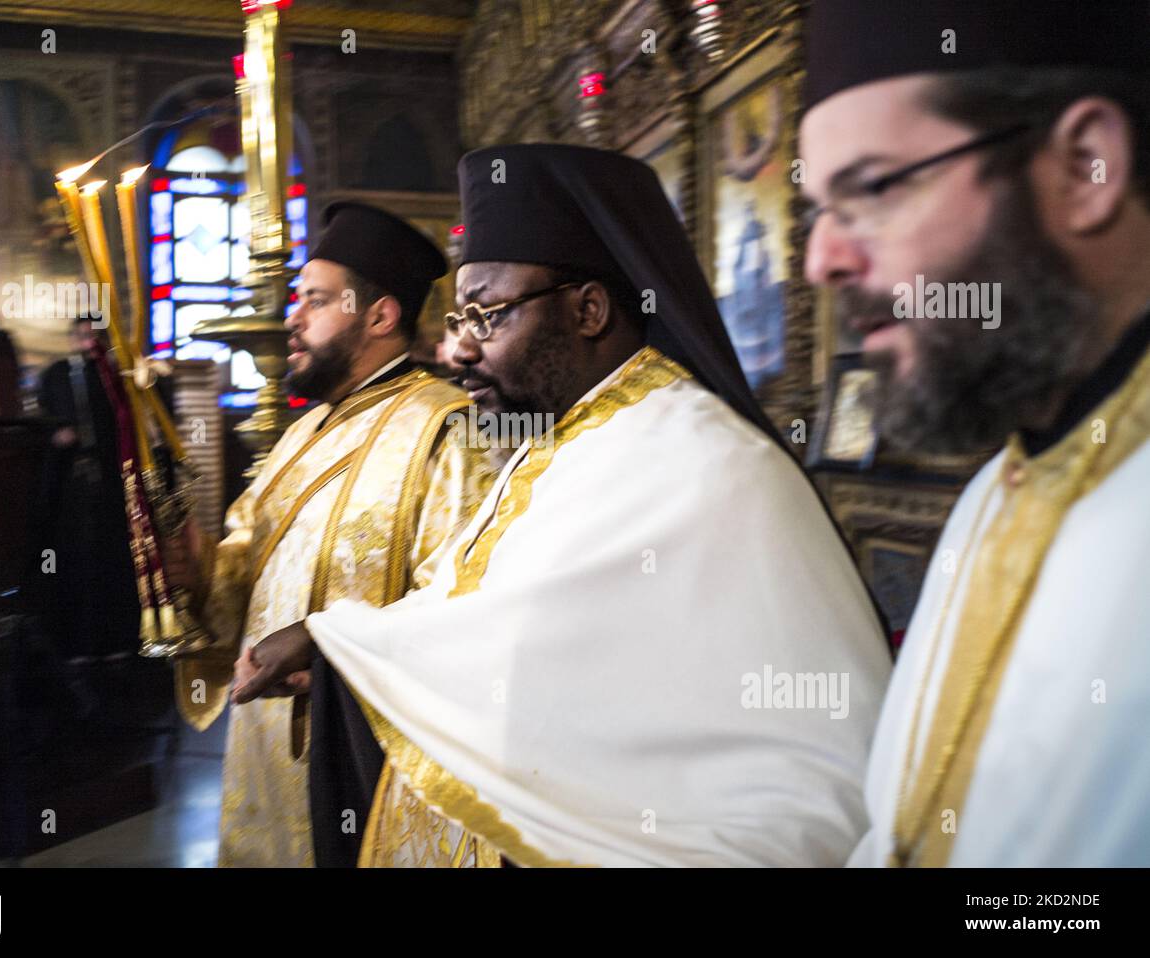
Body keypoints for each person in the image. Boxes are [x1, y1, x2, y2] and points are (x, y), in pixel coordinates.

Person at [234, 143, 892, 867]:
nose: (460, 350)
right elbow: (482, 616)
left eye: (488, 315)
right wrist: (334, 648)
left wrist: (341, 646)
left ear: (587, 310)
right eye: (461, 320)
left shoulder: (697, 457)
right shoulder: (570, 438)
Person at [799, 0, 1150, 866]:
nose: (822, 260)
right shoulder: (998, 490)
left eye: (874, 189)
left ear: (1085, 167)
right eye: (815, 212)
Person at [169, 202, 500, 867]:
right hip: (266, 748)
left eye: (315, 301)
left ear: (379, 315)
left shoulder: (448, 430)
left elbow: (464, 606)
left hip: (361, 755)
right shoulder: (303, 432)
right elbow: (247, 568)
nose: (293, 318)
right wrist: (191, 563)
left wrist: (331, 656)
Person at [36, 316, 140, 665]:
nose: (86, 342)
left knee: (112, 562)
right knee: (73, 563)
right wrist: (57, 437)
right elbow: (44, 423)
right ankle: (76, 644)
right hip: (70, 488)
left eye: (93, 336)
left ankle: (117, 641)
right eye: (81, 336)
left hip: (110, 485)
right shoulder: (56, 375)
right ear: (72, 338)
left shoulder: (115, 377)